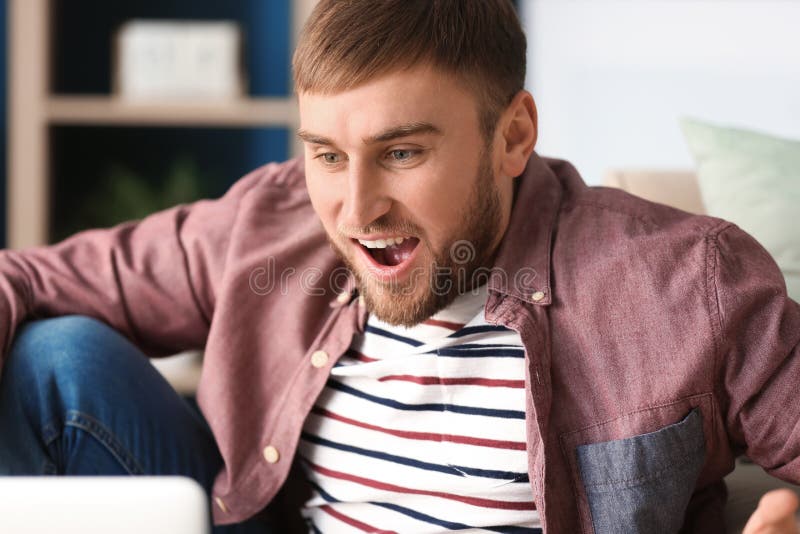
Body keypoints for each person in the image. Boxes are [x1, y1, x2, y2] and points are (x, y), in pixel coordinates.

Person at [0, 0, 798, 532]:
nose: (355, 208)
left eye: (402, 152)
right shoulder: (267, 219)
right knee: (56, 357)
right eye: (326, 154)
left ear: (513, 135)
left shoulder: (689, 279)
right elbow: (27, 278)